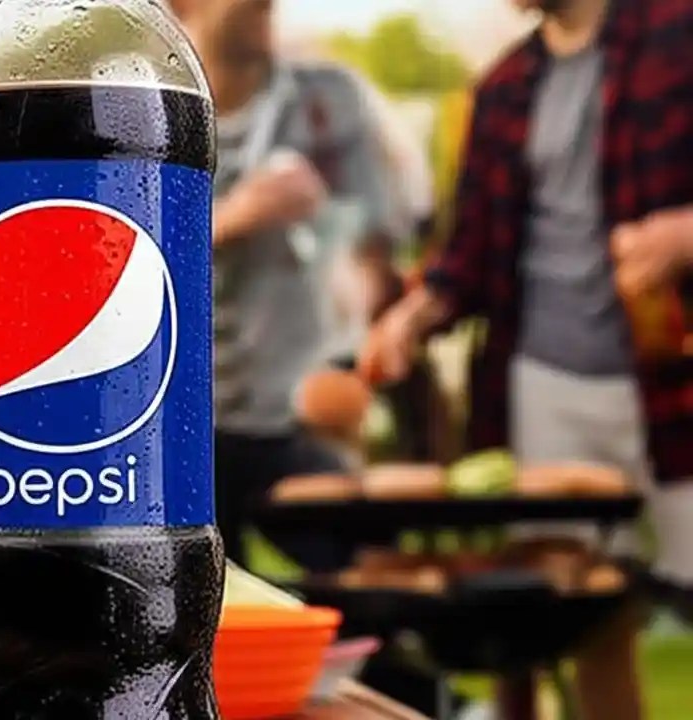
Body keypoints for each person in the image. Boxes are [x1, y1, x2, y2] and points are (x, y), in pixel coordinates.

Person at [362, 1, 693, 718]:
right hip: (544, 388)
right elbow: (469, 257)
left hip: (674, 389)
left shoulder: (679, 33)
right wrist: (410, 318)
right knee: (579, 618)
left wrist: (685, 232)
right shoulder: (503, 88)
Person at [167, 0, 397, 567]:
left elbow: (372, 251)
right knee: (199, 594)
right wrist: (235, 217)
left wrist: (352, 356)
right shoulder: (144, 109)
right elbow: (114, 261)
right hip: (181, 422)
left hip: (296, 416)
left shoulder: (328, 101)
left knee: (364, 573)